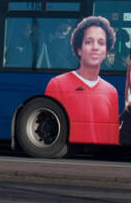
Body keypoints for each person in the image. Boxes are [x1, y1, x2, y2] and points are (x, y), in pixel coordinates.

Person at [44, 16, 119, 144]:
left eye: (101, 43)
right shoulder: (57, 84)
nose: (95, 47)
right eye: (89, 42)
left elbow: (112, 137)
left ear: (106, 51)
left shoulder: (111, 92)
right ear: (79, 49)